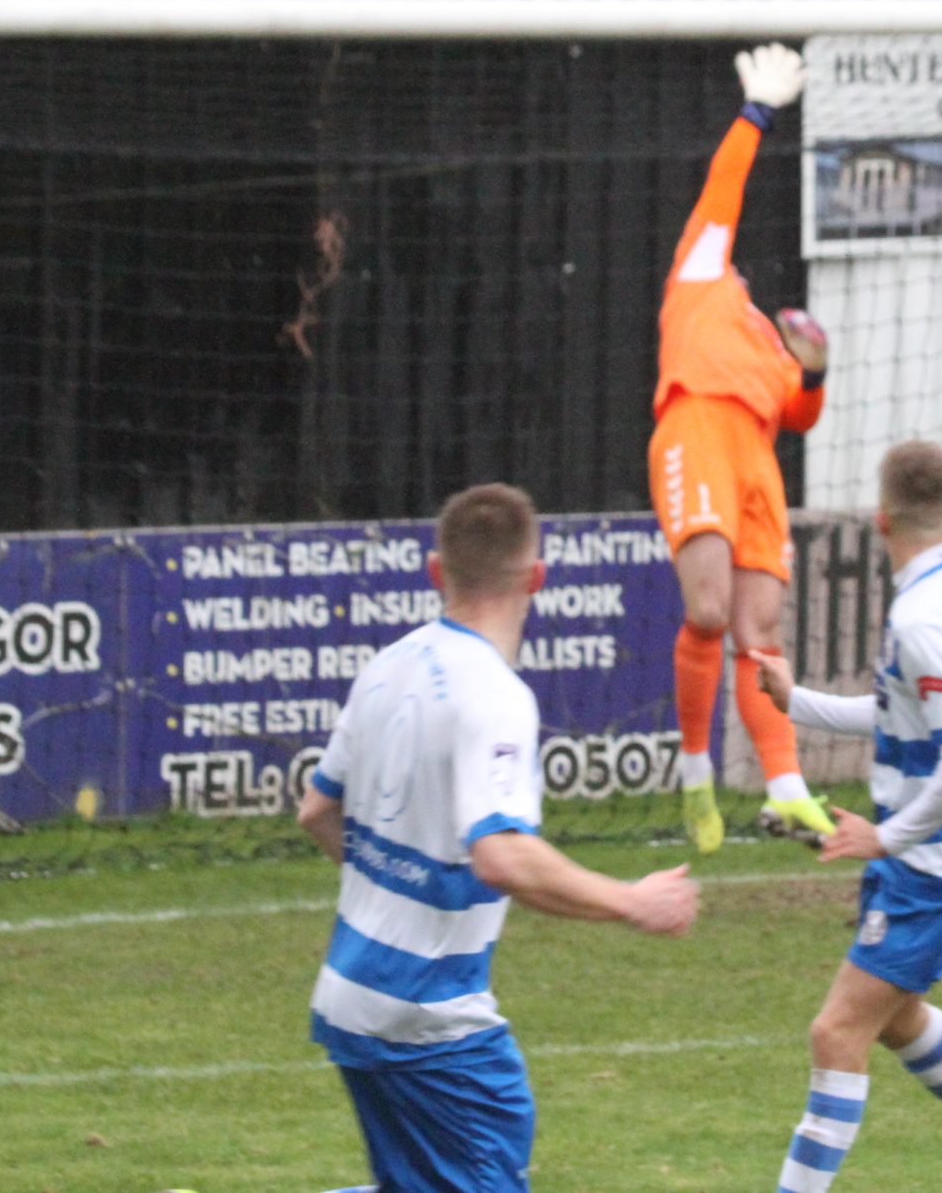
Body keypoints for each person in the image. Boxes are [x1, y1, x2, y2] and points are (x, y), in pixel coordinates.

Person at [299, 482, 700, 1193]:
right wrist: (631, 901)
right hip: (429, 1016)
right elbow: (501, 852)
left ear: (435, 572)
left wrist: (392, 893)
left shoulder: (386, 665)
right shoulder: (495, 694)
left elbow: (315, 810)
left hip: (352, 991)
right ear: (537, 577)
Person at [753, 441, 942, 1193]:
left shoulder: (926, 617)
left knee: (836, 1029)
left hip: (939, 863)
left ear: (879, 521)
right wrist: (799, 701)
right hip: (933, 856)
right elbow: (900, 711)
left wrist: (887, 834)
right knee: (894, 1013)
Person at [652, 42, 835, 853]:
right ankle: (695, 774)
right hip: (697, 426)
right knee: (709, 609)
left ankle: (786, 786)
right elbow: (724, 192)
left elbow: (798, 414)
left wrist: (816, 372)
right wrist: (757, 110)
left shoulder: (767, 336)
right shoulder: (700, 277)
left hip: (756, 454)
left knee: (760, 631)